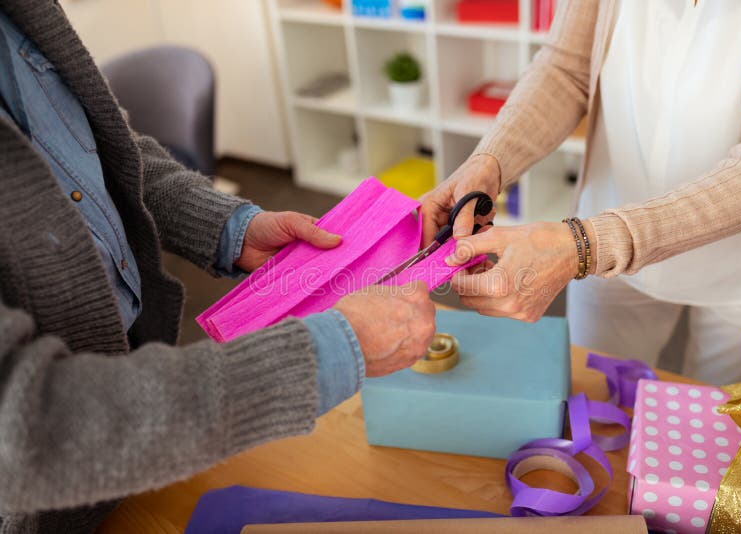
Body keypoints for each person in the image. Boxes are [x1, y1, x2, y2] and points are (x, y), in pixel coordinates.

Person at [0, 2, 435, 532]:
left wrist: (230, 228)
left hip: (153, 434)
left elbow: (103, 152)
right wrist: (332, 352)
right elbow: (29, 430)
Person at [421, 0, 741, 385]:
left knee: (732, 417)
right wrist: (491, 161)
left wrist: (587, 245)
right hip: (603, 241)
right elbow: (566, 69)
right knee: (596, 398)